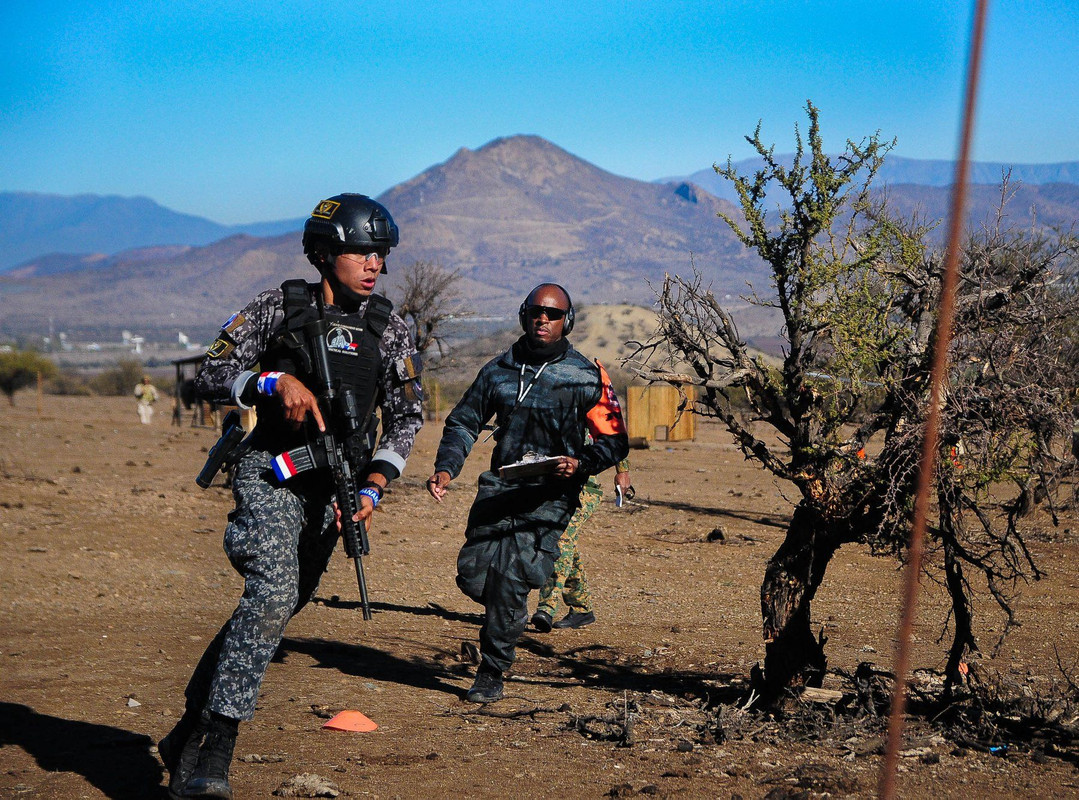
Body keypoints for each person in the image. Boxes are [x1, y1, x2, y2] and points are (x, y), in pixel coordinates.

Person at [158, 194, 423, 800]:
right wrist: (270, 381)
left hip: (335, 494)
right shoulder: (278, 308)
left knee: (272, 612)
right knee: (273, 594)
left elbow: (408, 416)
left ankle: (186, 734)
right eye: (360, 251)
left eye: (379, 253)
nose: (373, 263)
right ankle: (215, 751)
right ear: (326, 253)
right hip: (271, 475)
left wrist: (374, 487)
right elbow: (209, 372)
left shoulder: (392, 327)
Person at [427, 283, 629, 704]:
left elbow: (615, 440)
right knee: (474, 575)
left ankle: (492, 669)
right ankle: (509, 612)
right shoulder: (498, 370)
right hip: (500, 488)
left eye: (553, 314)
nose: (544, 319)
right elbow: (464, 422)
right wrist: (447, 467)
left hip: (551, 496)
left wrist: (582, 463)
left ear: (566, 321)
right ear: (524, 315)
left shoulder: (584, 376)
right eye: (536, 311)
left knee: (512, 578)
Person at [531, 458, 632, 632]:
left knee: (559, 538)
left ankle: (546, 608)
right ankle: (581, 608)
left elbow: (614, 432)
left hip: (584, 488)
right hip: (551, 485)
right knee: (566, 544)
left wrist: (622, 471)